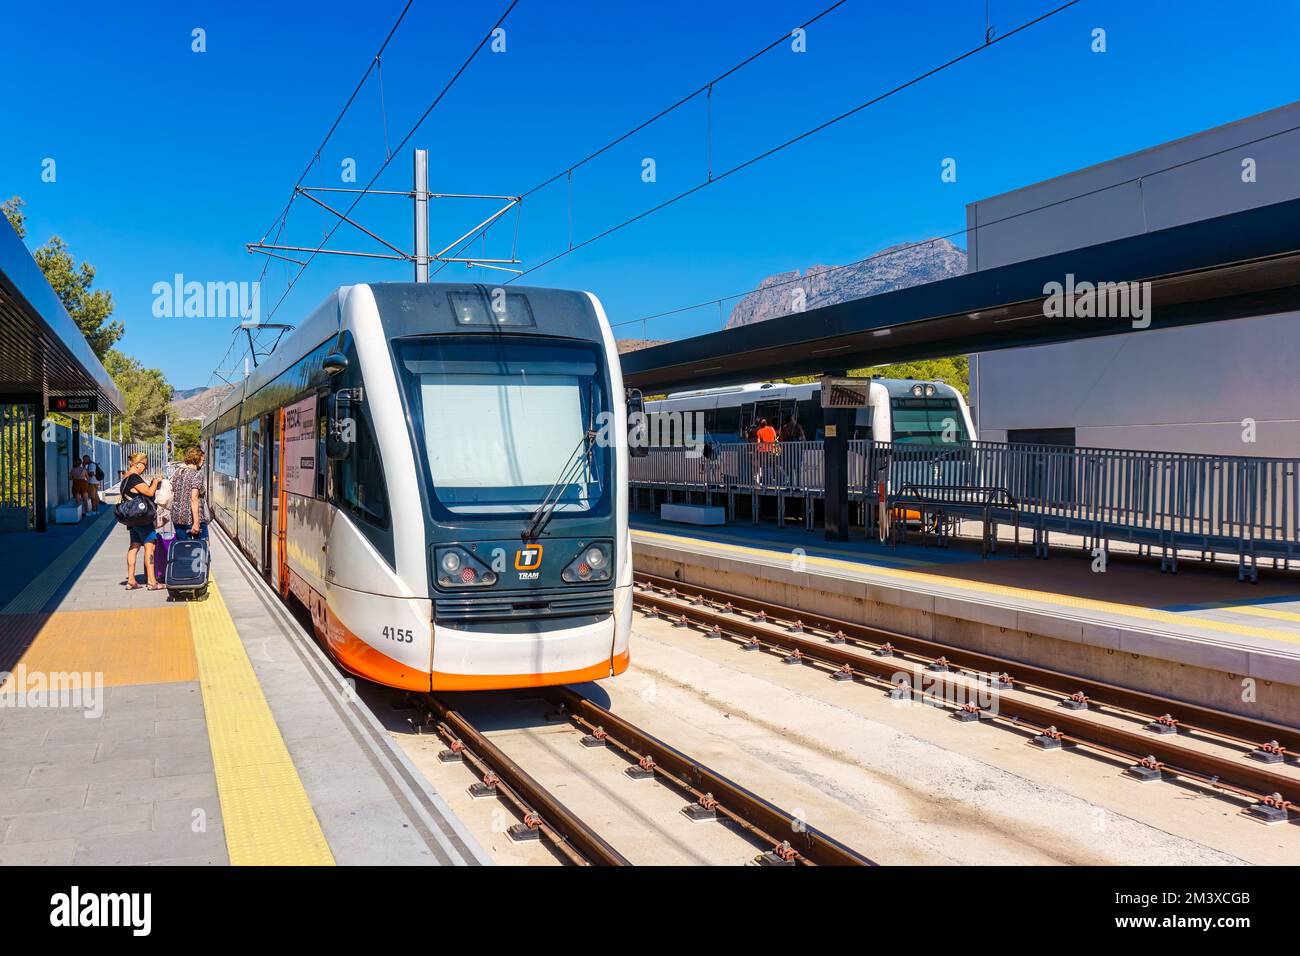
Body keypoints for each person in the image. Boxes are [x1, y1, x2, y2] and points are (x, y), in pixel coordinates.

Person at [121, 452, 164, 590]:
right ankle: (152, 582)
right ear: (138, 464)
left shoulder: (125, 478)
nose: (144, 468)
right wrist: (155, 481)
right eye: (144, 465)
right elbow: (149, 493)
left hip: (131, 518)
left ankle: (131, 580)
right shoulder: (134, 477)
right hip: (141, 519)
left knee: (134, 547)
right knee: (149, 547)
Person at [170, 446, 210, 541]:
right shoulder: (196, 474)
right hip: (191, 519)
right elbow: (194, 498)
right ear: (197, 458)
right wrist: (196, 523)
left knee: (182, 547)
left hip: (177, 517)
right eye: (202, 459)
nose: (203, 462)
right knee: (201, 549)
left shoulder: (178, 472)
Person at [779, 413, 805, 487]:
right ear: (792, 419)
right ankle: (798, 485)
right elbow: (803, 438)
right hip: (797, 451)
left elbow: (781, 440)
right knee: (797, 469)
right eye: (794, 418)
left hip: (787, 452)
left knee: (789, 468)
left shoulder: (784, 428)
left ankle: (790, 485)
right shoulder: (798, 426)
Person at [754, 418, 778, 486]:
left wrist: (756, 451)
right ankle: (771, 479)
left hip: (763, 451)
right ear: (766, 423)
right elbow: (775, 437)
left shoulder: (759, 431)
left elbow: (758, 442)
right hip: (772, 450)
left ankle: (766, 481)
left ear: (760, 424)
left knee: (764, 466)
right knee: (771, 465)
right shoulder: (772, 429)